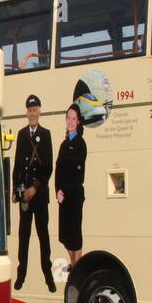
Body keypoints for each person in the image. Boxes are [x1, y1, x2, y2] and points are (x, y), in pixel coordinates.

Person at [13, 94, 56, 292]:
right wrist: (16, 189)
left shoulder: (46, 134)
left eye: (35, 110)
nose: (32, 114)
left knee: (43, 235)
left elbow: (48, 167)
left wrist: (35, 188)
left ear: (40, 111)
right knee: (24, 236)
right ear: (27, 113)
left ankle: (48, 277)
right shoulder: (22, 134)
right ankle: (21, 276)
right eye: (30, 111)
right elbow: (17, 164)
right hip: (24, 193)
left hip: (38, 194)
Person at [55, 103, 86, 269]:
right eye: (68, 118)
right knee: (65, 234)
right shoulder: (63, 145)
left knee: (75, 232)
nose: (71, 121)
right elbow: (58, 169)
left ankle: (76, 265)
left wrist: (65, 189)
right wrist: (57, 190)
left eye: (74, 118)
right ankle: (74, 263)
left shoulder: (80, 144)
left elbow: (77, 172)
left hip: (74, 195)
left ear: (78, 121)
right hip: (64, 196)